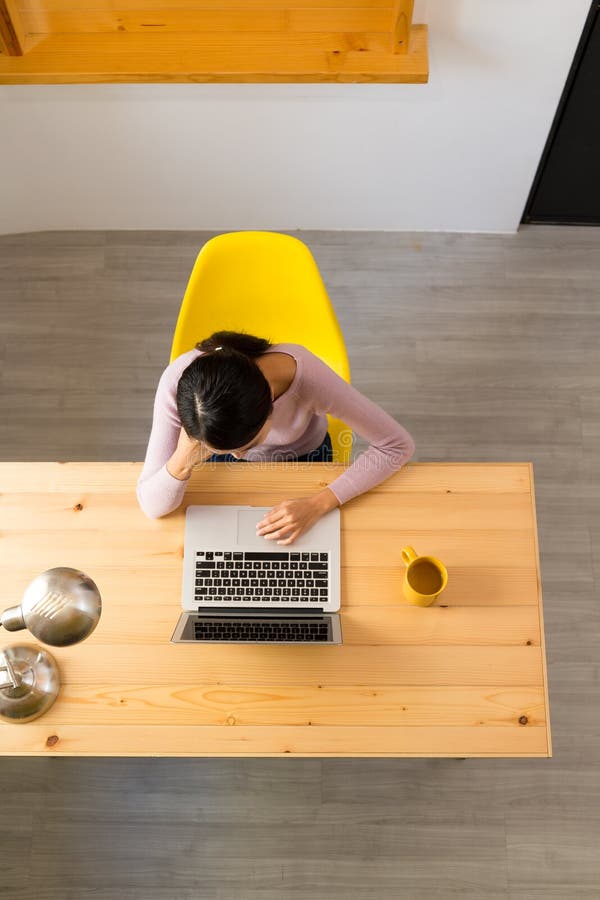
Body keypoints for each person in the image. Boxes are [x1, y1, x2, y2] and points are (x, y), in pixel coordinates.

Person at [137, 331, 416, 544]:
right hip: (220, 468)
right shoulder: (178, 385)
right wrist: (184, 459)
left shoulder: (306, 377)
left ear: (270, 407)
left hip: (305, 457)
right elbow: (151, 506)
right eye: (228, 450)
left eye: (249, 446)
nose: (239, 458)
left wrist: (318, 504)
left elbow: (396, 445)